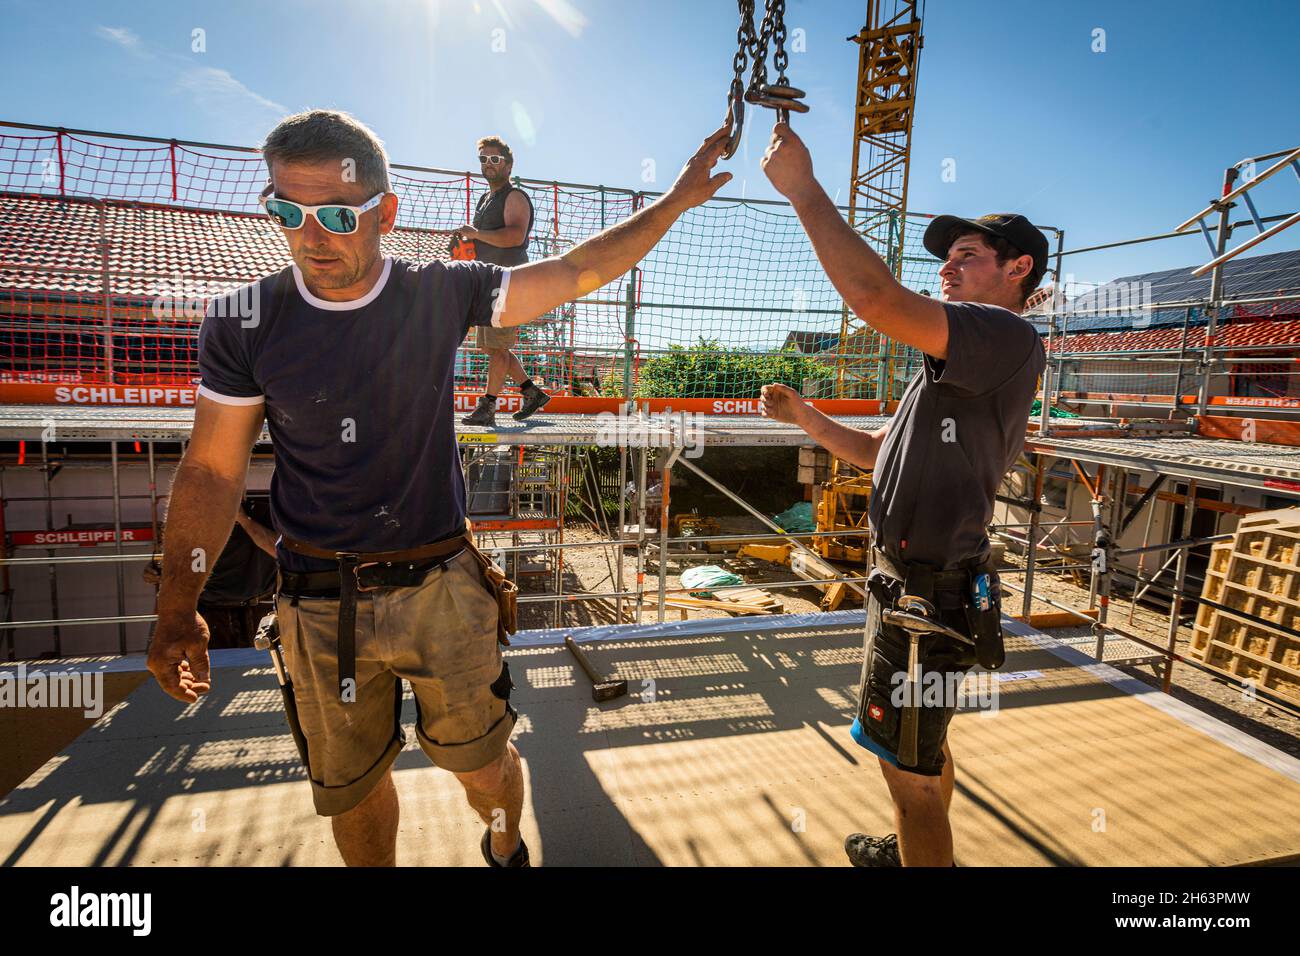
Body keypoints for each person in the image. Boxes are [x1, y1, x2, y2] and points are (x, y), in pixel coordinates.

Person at [146, 109, 733, 867]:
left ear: (384, 213)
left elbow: (576, 273)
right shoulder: (243, 321)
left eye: (334, 215)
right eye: (286, 212)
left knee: (484, 769)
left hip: (441, 587)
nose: (309, 236)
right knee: (351, 791)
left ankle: (505, 853)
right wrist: (176, 604)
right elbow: (213, 470)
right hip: (318, 603)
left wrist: (676, 201)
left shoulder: (441, 292)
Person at [757, 121, 1046, 867]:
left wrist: (804, 191)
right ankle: (914, 851)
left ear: (1018, 270)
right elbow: (878, 452)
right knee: (921, 750)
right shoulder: (950, 364)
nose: (947, 267)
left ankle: (920, 854)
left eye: (966, 256)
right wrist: (803, 417)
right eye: (946, 257)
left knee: (907, 772)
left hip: (927, 594)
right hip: (911, 586)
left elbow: (874, 297)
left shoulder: (1003, 338)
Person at [457, 136, 548, 427]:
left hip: (510, 279)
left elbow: (515, 237)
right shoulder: (486, 199)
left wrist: (476, 234)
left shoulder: (515, 196)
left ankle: (487, 406)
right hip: (488, 279)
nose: (488, 164)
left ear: (508, 165)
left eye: (494, 159)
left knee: (497, 347)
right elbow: (483, 240)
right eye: (483, 159)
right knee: (490, 346)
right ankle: (531, 392)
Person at [144, 498, 278, 648]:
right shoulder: (192, 520)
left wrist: (243, 519)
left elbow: (281, 551)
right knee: (212, 668)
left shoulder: (265, 513)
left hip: (257, 613)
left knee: (263, 667)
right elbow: (175, 564)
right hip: (211, 613)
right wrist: (159, 570)